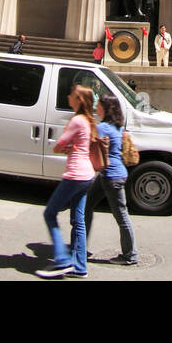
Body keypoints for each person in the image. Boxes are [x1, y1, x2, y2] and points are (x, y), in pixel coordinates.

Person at [36, 85, 98, 278]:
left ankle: (62, 261)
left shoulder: (77, 120)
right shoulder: (88, 121)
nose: (68, 96)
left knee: (50, 213)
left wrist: (65, 144)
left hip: (74, 175)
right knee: (78, 221)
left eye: (71, 94)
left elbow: (59, 145)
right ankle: (80, 267)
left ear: (79, 100)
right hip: (87, 175)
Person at [84, 93, 137, 266]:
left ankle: (130, 255)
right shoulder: (117, 126)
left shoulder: (103, 128)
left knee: (121, 216)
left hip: (112, 177)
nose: (96, 108)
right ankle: (80, 247)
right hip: (110, 174)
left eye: (98, 105)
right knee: (88, 206)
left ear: (106, 109)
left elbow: (88, 144)